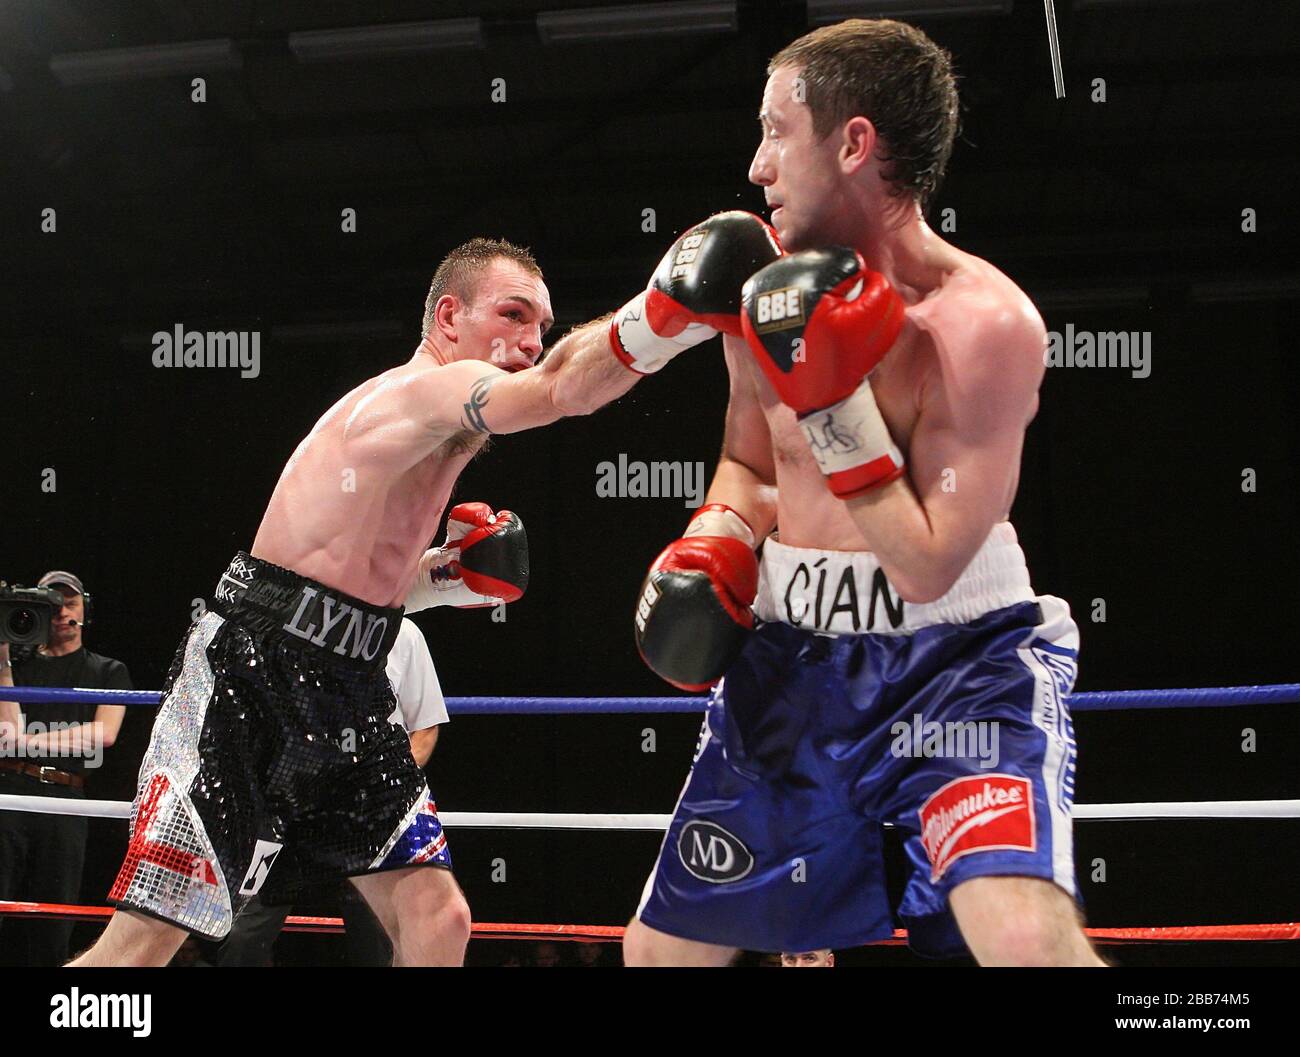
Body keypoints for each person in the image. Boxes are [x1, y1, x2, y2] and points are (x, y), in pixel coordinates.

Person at [69, 230, 775, 968]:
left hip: (350, 687)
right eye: (511, 315)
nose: (531, 342)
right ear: (448, 318)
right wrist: (670, 311)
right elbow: (561, 389)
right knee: (143, 945)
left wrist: (444, 578)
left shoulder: (435, 438)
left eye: (541, 327)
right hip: (250, 676)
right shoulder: (423, 390)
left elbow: (348, 586)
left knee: (438, 920)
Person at [625, 19, 1102, 967]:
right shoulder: (759, 292)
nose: (757, 166)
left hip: (960, 660)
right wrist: (716, 532)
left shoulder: (985, 323)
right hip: (793, 662)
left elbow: (927, 562)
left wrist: (832, 401)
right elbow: (752, 464)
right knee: (661, 955)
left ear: (853, 143)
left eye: (775, 132)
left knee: (1021, 941)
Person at [217, 616, 449, 967]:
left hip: (366, 811)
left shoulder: (405, 633)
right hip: (289, 804)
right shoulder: (290, 622)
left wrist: (387, 794)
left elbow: (425, 729)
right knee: (243, 936)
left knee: (375, 940)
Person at [0, 571, 130, 966]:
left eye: (68, 603)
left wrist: (26, 743)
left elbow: (103, 734)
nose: (60, 613)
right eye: (49, 605)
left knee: (55, 915)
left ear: (84, 610)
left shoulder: (108, 671)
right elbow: (6, 732)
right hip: (9, 791)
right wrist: (3, 654)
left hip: (66, 799)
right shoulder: (15, 669)